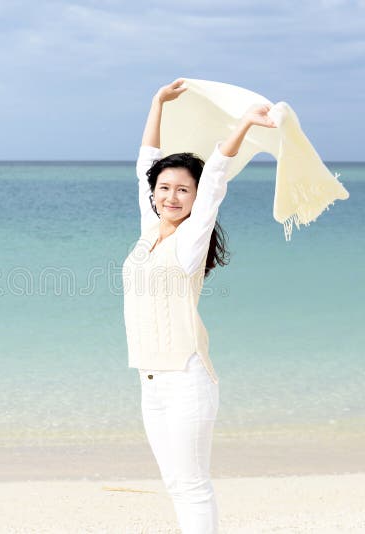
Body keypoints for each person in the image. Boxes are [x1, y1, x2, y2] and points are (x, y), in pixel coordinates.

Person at [122, 78, 276, 533]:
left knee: (192, 486)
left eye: (182, 191)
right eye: (164, 188)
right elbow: (145, 163)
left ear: (193, 199)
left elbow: (214, 181)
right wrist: (157, 103)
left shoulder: (191, 240)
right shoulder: (150, 231)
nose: (171, 196)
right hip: (150, 381)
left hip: (187, 380)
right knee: (175, 484)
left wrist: (244, 125)